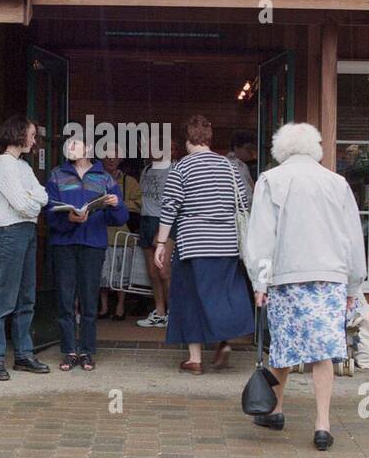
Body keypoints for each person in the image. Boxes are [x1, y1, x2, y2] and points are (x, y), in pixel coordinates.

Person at [245, 122, 366, 451]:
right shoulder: (337, 183)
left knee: (283, 346)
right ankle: (322, 424)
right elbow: (353, 237)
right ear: (315, 148)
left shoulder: (271, 180)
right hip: (330, 277)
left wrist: (260, 279)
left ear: (279, 150)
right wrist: (354, 283)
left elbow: (261, 236)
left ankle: (276, 410)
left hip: (287, 276)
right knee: (324, 351)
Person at [153, 115, 253, 373]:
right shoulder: (231, 167)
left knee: (189, 298)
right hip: (227, 244)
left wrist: (161, 242)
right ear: (209, 139)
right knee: (224, 295)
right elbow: (242, 201)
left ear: (187, 140)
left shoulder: (181, 168)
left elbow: (170, 207)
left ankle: (195, 359)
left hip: (193, 244)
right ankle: (224, 341)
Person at [46, 135, 127, 371]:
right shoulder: (56, 175)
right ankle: (70, 351)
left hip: (93, 244)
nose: (70, 148)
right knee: (65, 299)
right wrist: (69, 218)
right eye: (68, 145)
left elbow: (120, 218)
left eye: (76, 144)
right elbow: (49, 215)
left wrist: (116, 204)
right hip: (64, 244)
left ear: (89, 148)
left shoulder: (105, 178)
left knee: (90, 300)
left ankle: (88, 351)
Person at [0, 114, 51, 380]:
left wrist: (31, 201)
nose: (34, 140)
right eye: (32, 135)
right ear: (19, 134)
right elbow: (23, 204)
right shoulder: (4, 164)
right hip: (10, 233)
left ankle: (23, 354)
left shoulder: (23, 166)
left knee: (26, 297)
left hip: (26, 231)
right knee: (4, 299)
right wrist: (31, 201)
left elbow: (43, 196)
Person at [136, 139, 179, 328]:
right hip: (145, 219)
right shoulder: (146, 170)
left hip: (164, 221)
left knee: (164, 270)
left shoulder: (175, 169)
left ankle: (174, 313)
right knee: (152, 272)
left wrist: (163, 229)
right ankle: (159, 311)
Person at [98, 154, 142, 321]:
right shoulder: (95, 178)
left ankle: (120, 306)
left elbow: (139, 203)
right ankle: (104, 307)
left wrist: (119, 204)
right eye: (107, 156)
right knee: (102, 273)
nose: (110, 160)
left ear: (121, 159)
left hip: (121, 234)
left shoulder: (130, 181)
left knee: (120, 272)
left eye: (114, 157)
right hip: (101, 231)